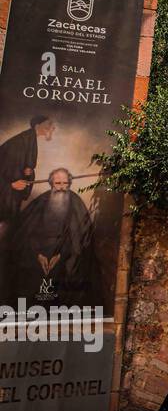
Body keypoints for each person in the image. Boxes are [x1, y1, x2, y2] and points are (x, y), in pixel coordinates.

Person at [4, 167, 98, 303]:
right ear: (51, 184)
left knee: (72, 270)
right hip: (36, 253)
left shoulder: (76, 203)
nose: (61, 187)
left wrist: (61, 254)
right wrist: (38, 254)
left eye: (65, 183)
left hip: (66, 254)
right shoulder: (40, 203)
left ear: (70, 184)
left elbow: (81, 237)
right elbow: (25, 233)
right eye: (58, 183)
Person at [0, 116, 55, 240]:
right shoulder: (19, 142)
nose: (51, 128)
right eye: (48, 125)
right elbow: (4, 170)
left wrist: (28, 172)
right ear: (37, 126)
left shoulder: (29, 139)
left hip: (12, 196)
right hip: (5, 197)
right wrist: (11, 185)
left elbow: (24, 168)